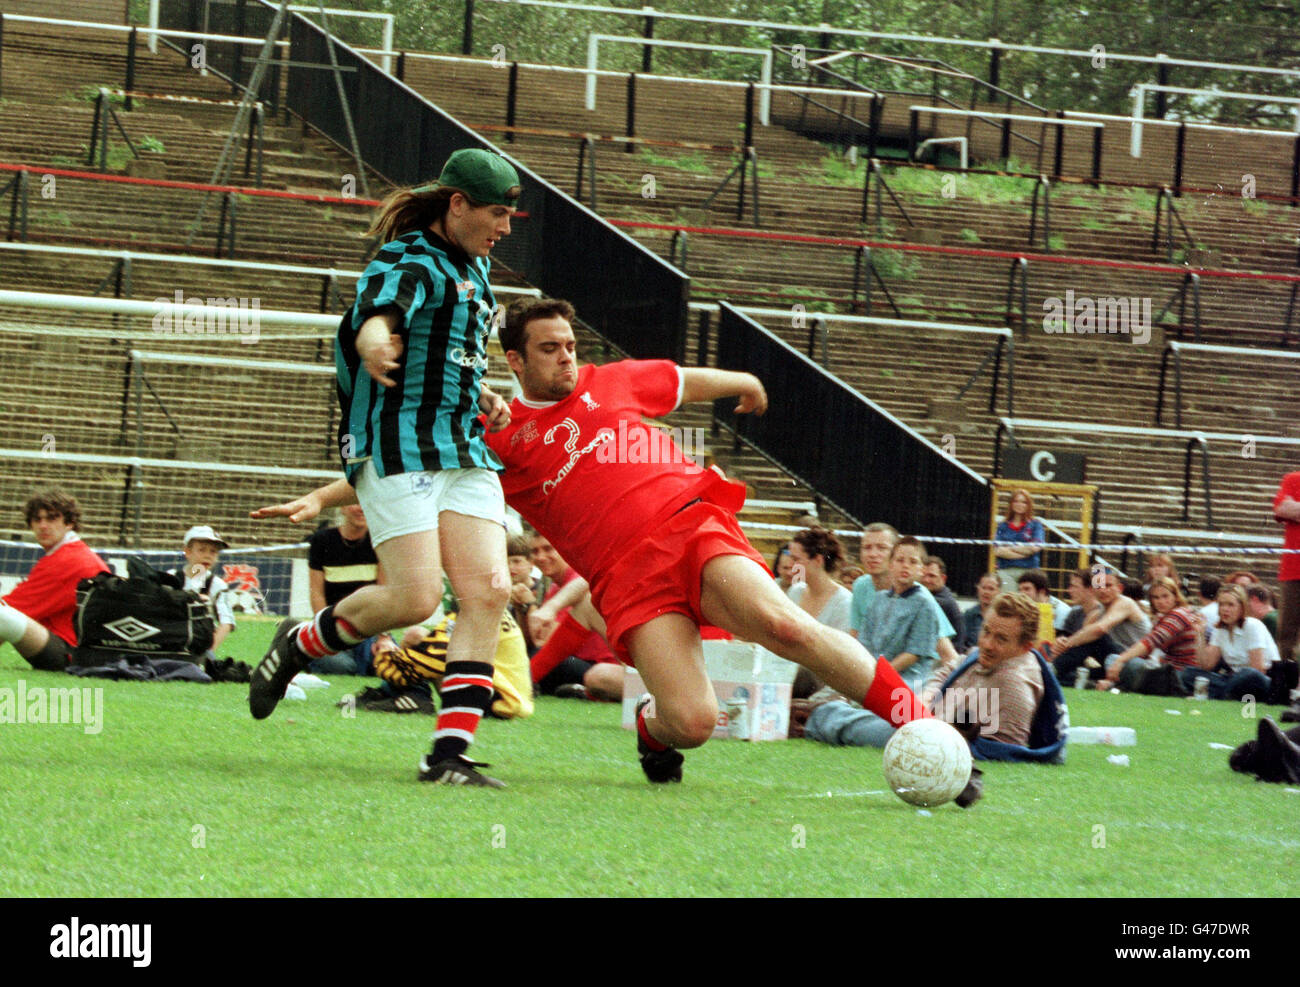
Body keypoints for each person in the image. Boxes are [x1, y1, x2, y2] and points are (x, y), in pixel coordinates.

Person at [255, 296, 965, 797]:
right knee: (693, 721)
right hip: (625, 578)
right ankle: (654, 735)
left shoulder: (611, 381)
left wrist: (744, 381)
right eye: (549, 348)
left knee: (785, 626)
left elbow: (683, 381)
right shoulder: (496, 435)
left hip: (691, 525)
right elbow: (417, 463)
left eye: (570, 344)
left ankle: (927, 732)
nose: (567, 357)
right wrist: (324, 496)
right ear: (514, 360)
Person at [247, 148, 521, 789]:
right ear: (458, 205)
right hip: (398, 445)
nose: (505, 228)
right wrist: (373, 343)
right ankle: (299, 644)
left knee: (490, 590)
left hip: (463, 448)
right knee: (415, 599)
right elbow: (377, 318)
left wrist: (480, 392)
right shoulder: (407, 259)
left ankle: (448, 756)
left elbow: (444, 351)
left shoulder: (476, 266)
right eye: (497, 213)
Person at [800, 536, 940, 749]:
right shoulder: (879, 599)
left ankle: (826, 721)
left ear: (921, 569)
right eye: (900, 560)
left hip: (905, 679)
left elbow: (914, 653)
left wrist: (880, 674)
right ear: (890, 565)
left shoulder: (925, 603)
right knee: (831, 693)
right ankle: (824, 715)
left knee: (877, 711)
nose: (906, 566)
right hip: (872, 671)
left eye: (913, 562)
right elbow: (863, 642)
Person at [0, 489, 109, 671]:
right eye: (37, 519)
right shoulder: (74, 552)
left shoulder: (68, 560)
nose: (43, 526)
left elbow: (11, 608)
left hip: (72, 655)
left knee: (3, 614)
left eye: (51, 519)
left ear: (69, 523)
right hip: (86, 652)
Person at [1050, 568, 1150, 685]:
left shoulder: (1125, 603)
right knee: (1076, 675)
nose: (1103, 590)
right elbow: (1083, 636)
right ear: (1093, 590)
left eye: (1108, 585)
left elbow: (1100, 629)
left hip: (1137, 663)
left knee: (1097, 637)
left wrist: (1067, 644)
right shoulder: (1098, 611)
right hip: (1116, 661)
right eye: (1099, 586)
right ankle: (1057, 674)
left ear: (1119, 588)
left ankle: (1052, 669)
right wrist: (1062, 643)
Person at [785, 526, 853, 697]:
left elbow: (840, 660)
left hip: (824, 686)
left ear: (818, 560)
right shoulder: (795, 592)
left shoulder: (844, 602)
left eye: (796, 559)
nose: (790, 565)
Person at [1101, 576, 1201, 690]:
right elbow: (1147, 653)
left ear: (1175, 596)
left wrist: (1121, 660)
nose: (1161, 601)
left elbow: (1151, 641)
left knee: (1119, 661)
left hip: (1181, 674)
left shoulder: (1179, 614)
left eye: (1165, 596)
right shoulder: (1162, 617)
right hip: (1167, 669)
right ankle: (1118, 685)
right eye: (1156, 597)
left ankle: (1117, 685)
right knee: (1115, 659)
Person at [1181, 584, 1278, 701]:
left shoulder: (1252, 625)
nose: (1225, 609)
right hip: (1233, 681)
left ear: (1242, 607)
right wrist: (1200, 634)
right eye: (1221, 604)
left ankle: (1217, 695)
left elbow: (1258, 669)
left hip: (1259, 680)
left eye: (1230, 605)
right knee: (1188, 673)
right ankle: (1224, 694)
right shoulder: (1220, 629)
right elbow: (1207, 665)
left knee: (1248, 673)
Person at [167, 525, 236, 661]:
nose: (207, 556)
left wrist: (208, 651)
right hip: (170, 640)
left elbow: (226, 623)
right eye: (202, 550)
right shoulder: (171, 577)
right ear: (187, 552)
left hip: (199, 646)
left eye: (213, 551)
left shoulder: (217, 585)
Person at [994, 487, 1045, 590]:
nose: (1019, 504)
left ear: (1029, 505)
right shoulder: (1002, 526)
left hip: (1030, 572)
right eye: (1016, 501)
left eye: (1023, 502)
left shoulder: (1036, 525)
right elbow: (998, 551)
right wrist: (1025, 553)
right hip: (1006, 571)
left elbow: (1035, 548)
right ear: (1011, 504)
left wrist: (1009, 548)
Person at [1273, 470, 1300, 666]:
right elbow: (1282, 509)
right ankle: (1287, 679)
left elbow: (1291, 509)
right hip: (1293, 570)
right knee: (1286, 632)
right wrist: (1290, 509)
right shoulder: (1293, 479)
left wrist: (1296, 508)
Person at [920, 555, 964, 650]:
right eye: (923, 575)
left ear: (943, 578)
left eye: (932, 576)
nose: (926, 580)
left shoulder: (943, 603)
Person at [960, 573, 1000, 657]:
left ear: (998, 592)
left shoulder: (1002, 616)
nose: (986, 592)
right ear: (978, 589)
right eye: (983, 588)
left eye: (991, 589)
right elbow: (961, 644)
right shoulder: (968, 615)